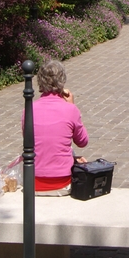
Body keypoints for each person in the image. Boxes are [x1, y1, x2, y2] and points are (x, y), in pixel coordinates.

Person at [23, 60, 89, 195]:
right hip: (62, 182)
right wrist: (72, 106)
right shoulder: (70, 110)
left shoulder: (28, 110)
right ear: (62, 81)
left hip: (33, 182)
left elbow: (30, 140)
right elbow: (82, 141)